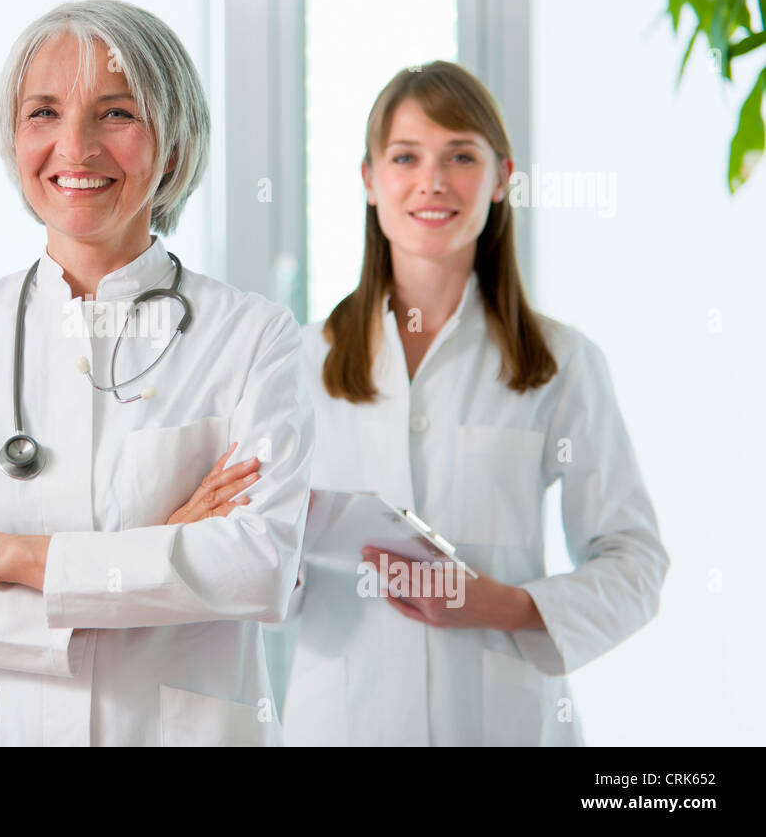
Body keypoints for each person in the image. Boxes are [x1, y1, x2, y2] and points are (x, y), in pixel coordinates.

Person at [0, 0, 314, 746]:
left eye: (116, 113)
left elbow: (258, 566)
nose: (76, 145)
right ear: (12, 136)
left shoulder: (253, 338)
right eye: (43, 112)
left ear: (173, 140)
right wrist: (156, 557)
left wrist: (6, 557)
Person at [280, 61, 669, 746]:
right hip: (345, 723)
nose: (432, 181)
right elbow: (252, 566)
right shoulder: (297, 364)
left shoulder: (561, 361)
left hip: (504, 725)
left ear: (501, 178)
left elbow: (635, 561)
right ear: (369, 180)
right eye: (405, 157)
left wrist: (509, 605)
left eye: (461, 155)